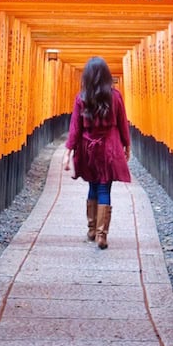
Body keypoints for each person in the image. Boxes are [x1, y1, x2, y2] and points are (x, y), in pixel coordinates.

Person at [63, 56, 132, 249]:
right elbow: (122, 123)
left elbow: (75, 128)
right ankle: (102, 235)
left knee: (92, 187)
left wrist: (68, 152)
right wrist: (127, 145)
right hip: (109, 147)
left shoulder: (81, 98)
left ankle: (92, 229)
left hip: (88, 149)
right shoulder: (115, 96)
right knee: (104, 188)